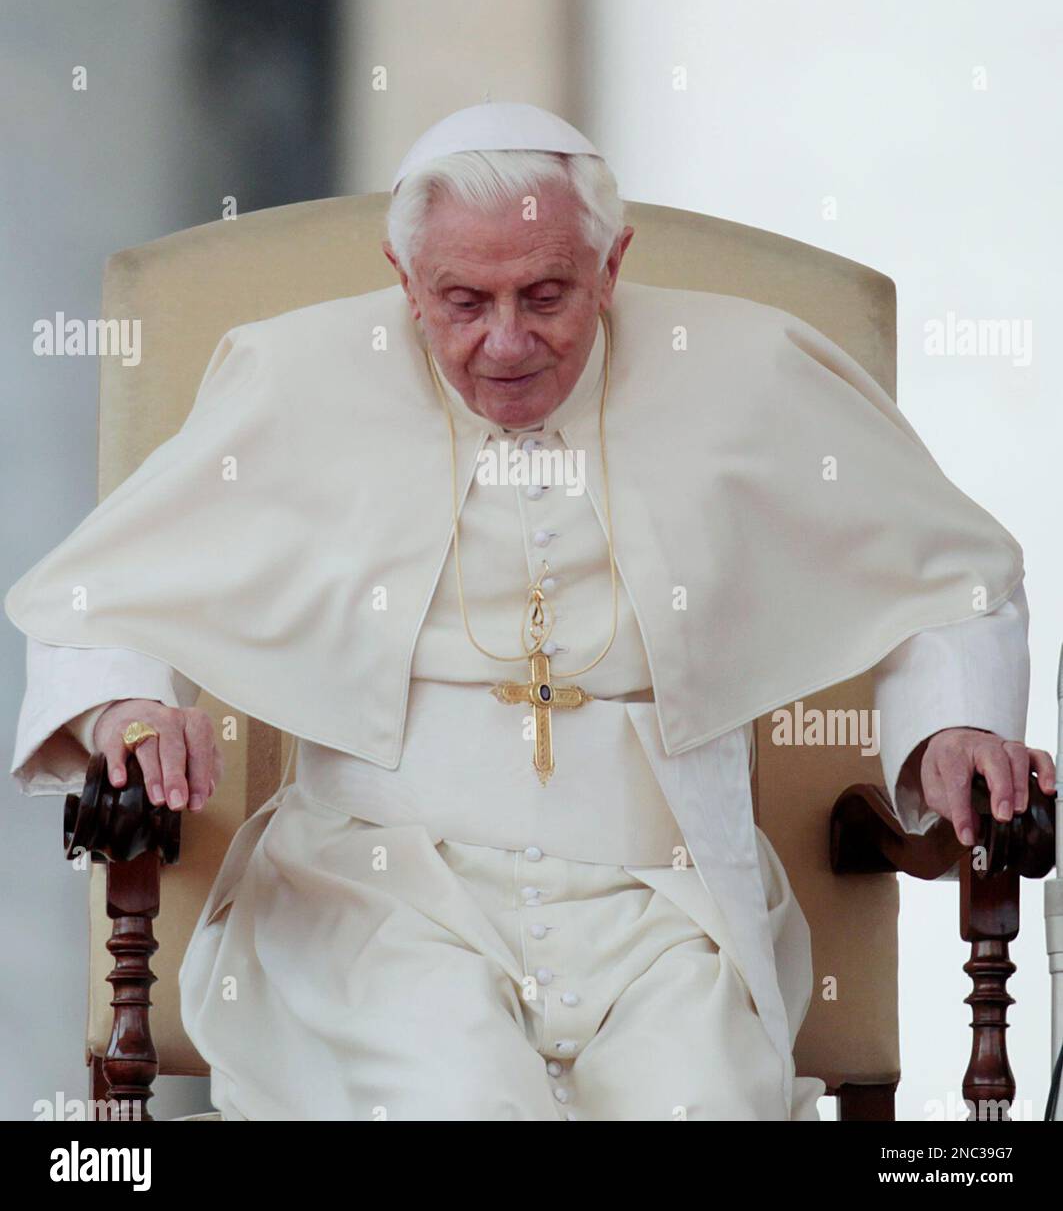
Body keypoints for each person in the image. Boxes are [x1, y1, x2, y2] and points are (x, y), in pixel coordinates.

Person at [7, 102, 1053, 1121]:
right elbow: (105, 593)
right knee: (454, 1101)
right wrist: (127, 715)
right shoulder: (296, 381)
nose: (506, 342)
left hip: (664, 899)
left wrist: (951, 724)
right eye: (464, 301)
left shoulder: (748, 375)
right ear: (402, 280)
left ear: (612, 265)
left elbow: (949, 571)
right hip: (375, 891)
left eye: (546, 295)